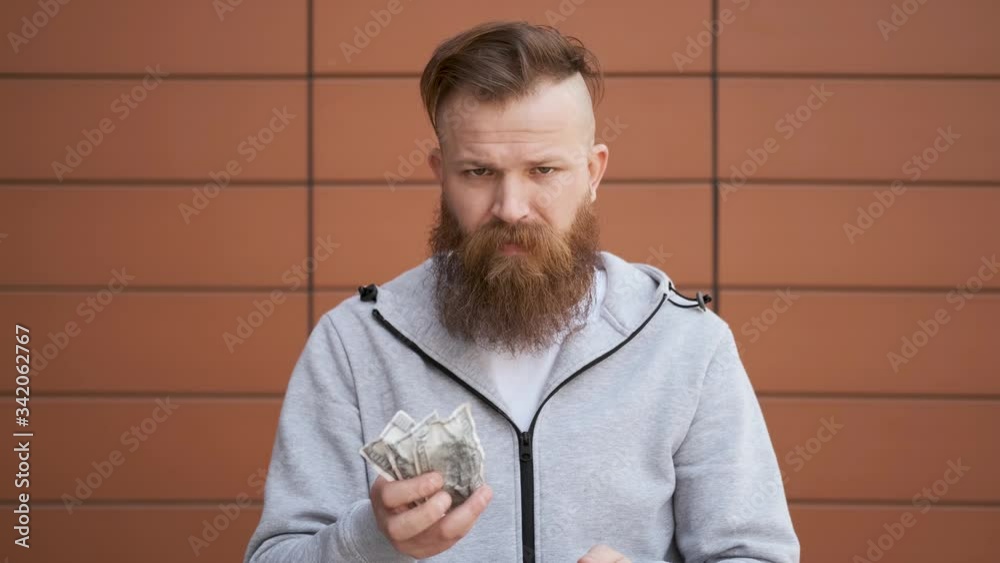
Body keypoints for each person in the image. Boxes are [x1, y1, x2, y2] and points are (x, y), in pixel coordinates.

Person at [244, 20, 799, 563]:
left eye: (543, 170)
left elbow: (758, 554)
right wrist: (370, 541)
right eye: (479, 172)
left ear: (593, 172)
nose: (511, 208)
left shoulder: (687, 343)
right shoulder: (353, 344)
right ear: (442, 174)